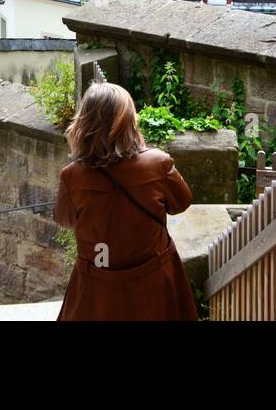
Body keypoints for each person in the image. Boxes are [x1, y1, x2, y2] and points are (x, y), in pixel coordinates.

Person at [53, 82, 199, 321]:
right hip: (154, 283)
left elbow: (64, 219)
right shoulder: (158, 164)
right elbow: (181, 202)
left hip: (97, 287)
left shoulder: (72, 175)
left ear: (84, 124)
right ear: (128, 122)